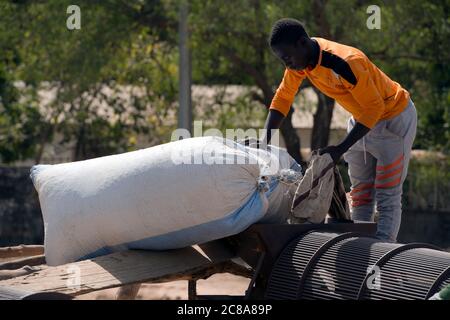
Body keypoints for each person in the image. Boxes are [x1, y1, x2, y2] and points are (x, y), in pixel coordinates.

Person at [264, 18, 417, 242]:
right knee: (361, 194)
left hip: (393, 119)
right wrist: (264, 141)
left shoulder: (345, 62)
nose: (286, 64)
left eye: (287, 57)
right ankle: (361, 246)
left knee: (387, 194)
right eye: (282, 60)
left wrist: (341, 148)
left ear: (302, 43)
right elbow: (283, 98)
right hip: (361, 120)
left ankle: (384, 253)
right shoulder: (301, 64)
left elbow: (376, 108)